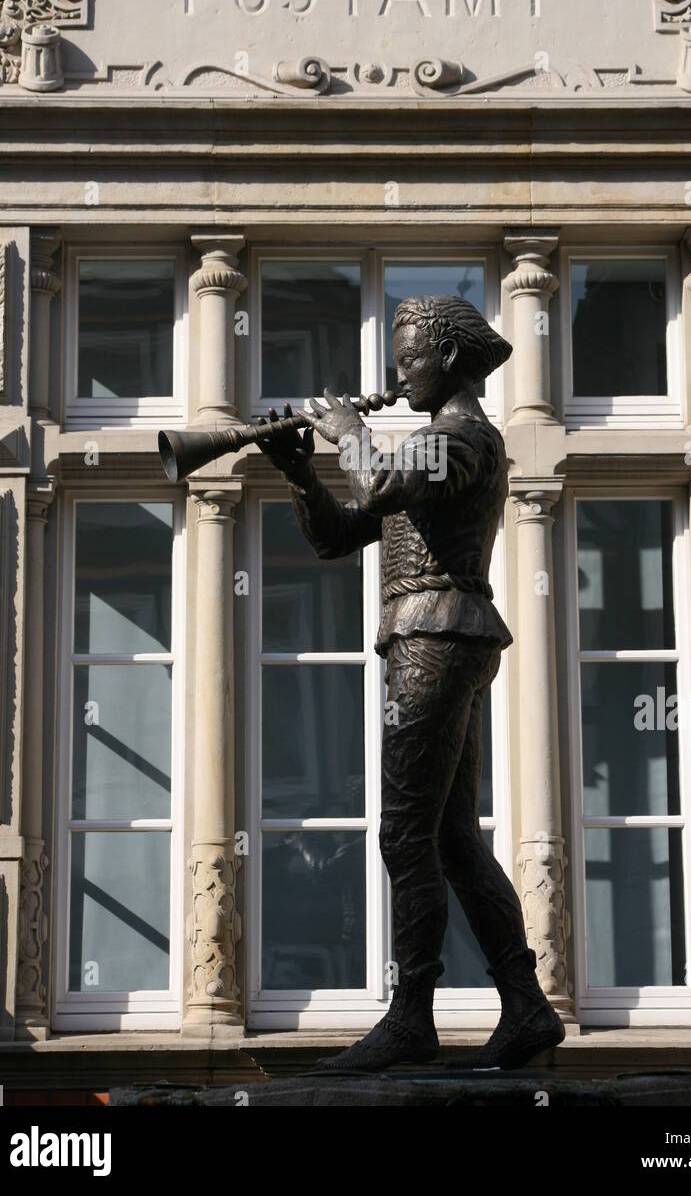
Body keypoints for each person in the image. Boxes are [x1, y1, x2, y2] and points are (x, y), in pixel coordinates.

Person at [256, 295, 565, 1071]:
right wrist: (300, 471)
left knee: (402, 835)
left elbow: (382, 488)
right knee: (454, 839)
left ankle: (411, 1019)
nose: (398, 372)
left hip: (436, 634)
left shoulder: (464, 441)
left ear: (453, 359)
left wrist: (352, 434)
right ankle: (525, 1007)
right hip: (428, 638)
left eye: (410, 355)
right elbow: (338, 534)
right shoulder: (424, 453)